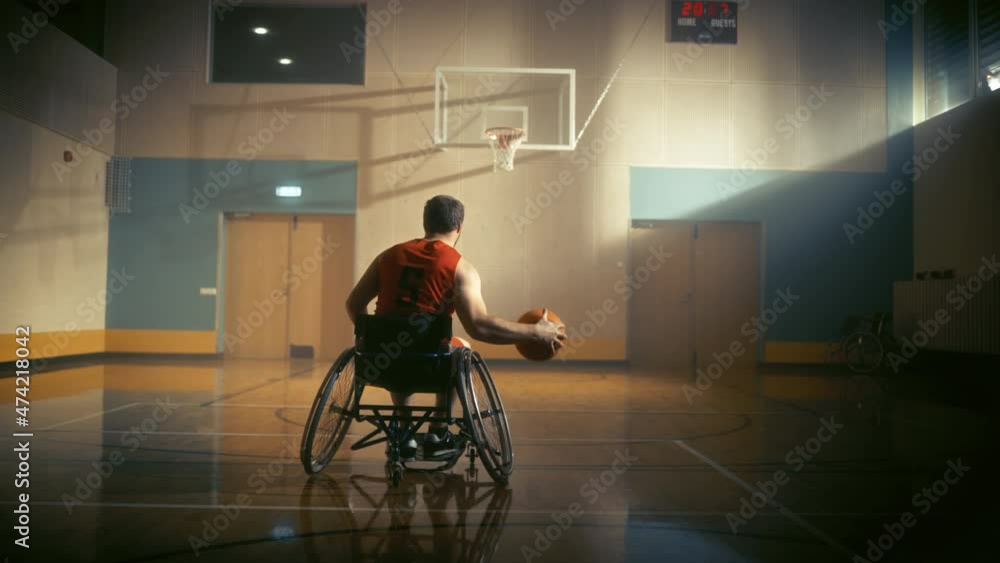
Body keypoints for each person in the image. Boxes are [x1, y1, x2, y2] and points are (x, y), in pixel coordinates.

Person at [346, 195, 566, 459]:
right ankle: (438, 431)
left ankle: (404, 431)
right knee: (461, 349)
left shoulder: (388, 256)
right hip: (429, 366)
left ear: (425, 223)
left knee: (399, 344)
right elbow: (479, 326)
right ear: (459, 226)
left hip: (379, 362)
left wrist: (369, 338)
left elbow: (353, 304)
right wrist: (535, 332)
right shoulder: (460, 268)